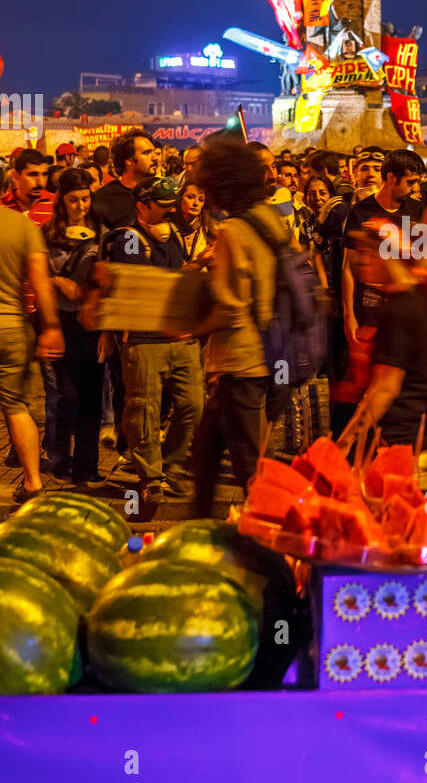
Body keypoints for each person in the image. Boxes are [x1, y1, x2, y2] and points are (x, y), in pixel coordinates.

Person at [188, 139, 291, 515]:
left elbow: (230, 308)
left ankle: (273, 546)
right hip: (268, 350)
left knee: (250, 465)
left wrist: (191, 329)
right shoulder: (269, 218)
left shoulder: (233, 231)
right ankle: (199, 525)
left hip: (241, 360)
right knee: (206, 452)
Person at [104, 175, 204, 504]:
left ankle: (173, 464)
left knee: (192, 404)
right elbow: (148, 285)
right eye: (162, 206)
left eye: (171, 204)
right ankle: (152, 477)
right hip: (144, 339)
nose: (171, 210)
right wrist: (196, 267)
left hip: (180, 338)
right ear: (142, 206)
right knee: (144, 410)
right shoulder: (128, 239)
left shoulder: (173, 232)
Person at [337, 218, 427, 451]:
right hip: (414, 432)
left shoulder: (398, 311)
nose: (360, 261)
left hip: (400, 438)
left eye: (367, 253)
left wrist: (346, 441)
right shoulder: (417, 296)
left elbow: (385, 387)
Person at [42, 170, 104, 485]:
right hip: (61, 323)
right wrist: (56, 282)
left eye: (85, 199)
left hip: (91, 325)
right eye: (73, 200)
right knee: (65, 396)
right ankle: (60, 459)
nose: (80, 206)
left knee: (92, 398)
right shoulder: (47, 234)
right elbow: (37, 276)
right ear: (62, 201)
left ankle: (87, 465)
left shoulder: (100, 234)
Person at [0, 201, 64, 502]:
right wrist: (51, 325)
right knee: (16, 406)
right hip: (13, 326)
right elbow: (40, 280)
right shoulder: (22, 226)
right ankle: (33, 482)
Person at [341, 150, 423, 346]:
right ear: (392, 178)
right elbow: (348, 268)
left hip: (405, 312)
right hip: (370, 310)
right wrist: (349, 314)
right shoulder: (360, 211)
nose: (414, 188)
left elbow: (422, 263)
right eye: (410, 182)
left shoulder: (418, 209)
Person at [92, 129, 159, 229]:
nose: (155, 157)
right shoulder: (102, 199)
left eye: (154, 151)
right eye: (147, 153)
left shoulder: (161, 191)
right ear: (129, 160)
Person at [1, 149, 55, 226]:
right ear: (16, 176)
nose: (41, 182)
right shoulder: (2, 206)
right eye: (33, 174)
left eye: (44, 174)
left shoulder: (56, 204)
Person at [171, 178, 213, 264]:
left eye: (201, 199)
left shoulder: (206, 226)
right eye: (190, 197)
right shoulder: (169, 226)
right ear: (180, 198)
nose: (196, 203)